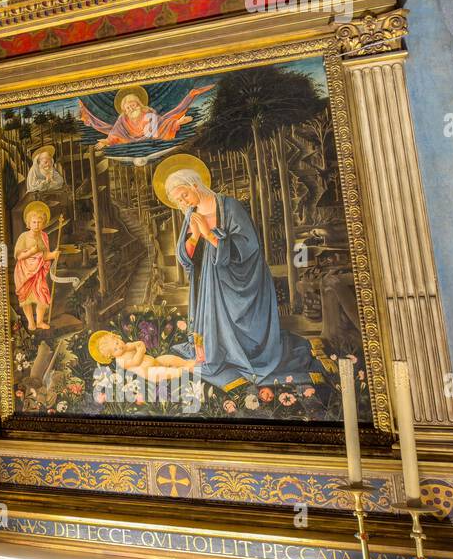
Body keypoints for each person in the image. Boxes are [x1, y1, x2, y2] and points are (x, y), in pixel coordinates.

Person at [162, 158, 316, 387]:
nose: (183, 202)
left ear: (194, 185)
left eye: (183, 195)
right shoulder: (190, 214)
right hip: (208, 281)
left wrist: (210, 234)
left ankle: (242, 353)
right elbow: (185, 257)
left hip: (236, 278)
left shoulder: (229, 206)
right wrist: (195, 236)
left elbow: (248, 246)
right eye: (178, 200)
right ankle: (214, 353)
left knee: (242, 330)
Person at [78, 84, 213, 150]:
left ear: (139, 104)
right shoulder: (122, 119)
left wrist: (173, 124)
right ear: (124, 110)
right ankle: (177, 122)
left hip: (150, 136)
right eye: (128, 108)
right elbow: (115, 133)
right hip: (131, 139)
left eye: (133, 105)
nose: (131, 108)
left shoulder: (148, 113)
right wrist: (107, 142)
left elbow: (157, 130)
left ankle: (177, 122)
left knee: (165, 123)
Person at [88, 330, 202, 383]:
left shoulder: (127, 346)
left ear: (117, 338)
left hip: (154, 361)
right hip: (149, 372)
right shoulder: (120, 361)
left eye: (117, 342)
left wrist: (141, 347)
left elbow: (140, 344)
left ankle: (187, 363)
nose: (119, 347)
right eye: (115, 349)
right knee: (167, 371)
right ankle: (185, 370)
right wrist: (140, 350)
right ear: (111, 355)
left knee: (169, 358)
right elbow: (136, 362)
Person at [14, 201, 59, 331]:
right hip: (25, 272)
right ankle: (30, 322)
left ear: (43, 223)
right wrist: (31, 252)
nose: (36, 225)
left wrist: (52, 255)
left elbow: (44, 254)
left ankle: (39, 321)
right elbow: (19, 256)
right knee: (26, 298)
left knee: (42, 296)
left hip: (38, 272)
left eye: (39, 222)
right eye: (34, 222)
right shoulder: (23, 236)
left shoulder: (44, 236)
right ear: (28, 223)